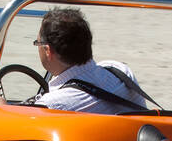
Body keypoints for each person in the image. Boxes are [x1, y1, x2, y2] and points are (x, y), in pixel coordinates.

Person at [25, 7, 157, 115]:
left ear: (48, 51)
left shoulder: (51, 106)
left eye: (37, 43)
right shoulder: (121, 71)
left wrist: (3, 110)